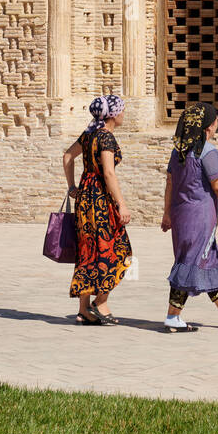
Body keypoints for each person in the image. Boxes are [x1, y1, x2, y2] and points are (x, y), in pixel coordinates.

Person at [161, 101, 218, 333]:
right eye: (216, 119)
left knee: (206, 258)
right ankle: (173, 316)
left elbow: (170, 182)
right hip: (199, 217)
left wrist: (167, 213)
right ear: (208, 126)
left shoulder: (177, 151)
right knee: (191, 261)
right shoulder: (207, 152)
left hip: (181, 214)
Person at [62, 94, 132, 325]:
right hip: (101, 199)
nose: (124, 114)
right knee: (117, 249)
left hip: (85, 196)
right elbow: (109, 173)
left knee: (87, 250)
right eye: (121, 110)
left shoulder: (89, 134)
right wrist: (121, 203)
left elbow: (67, 156)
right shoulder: (105, 138)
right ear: (113, 114)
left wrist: (72, 186)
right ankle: (100, 302)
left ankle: (83, 309)